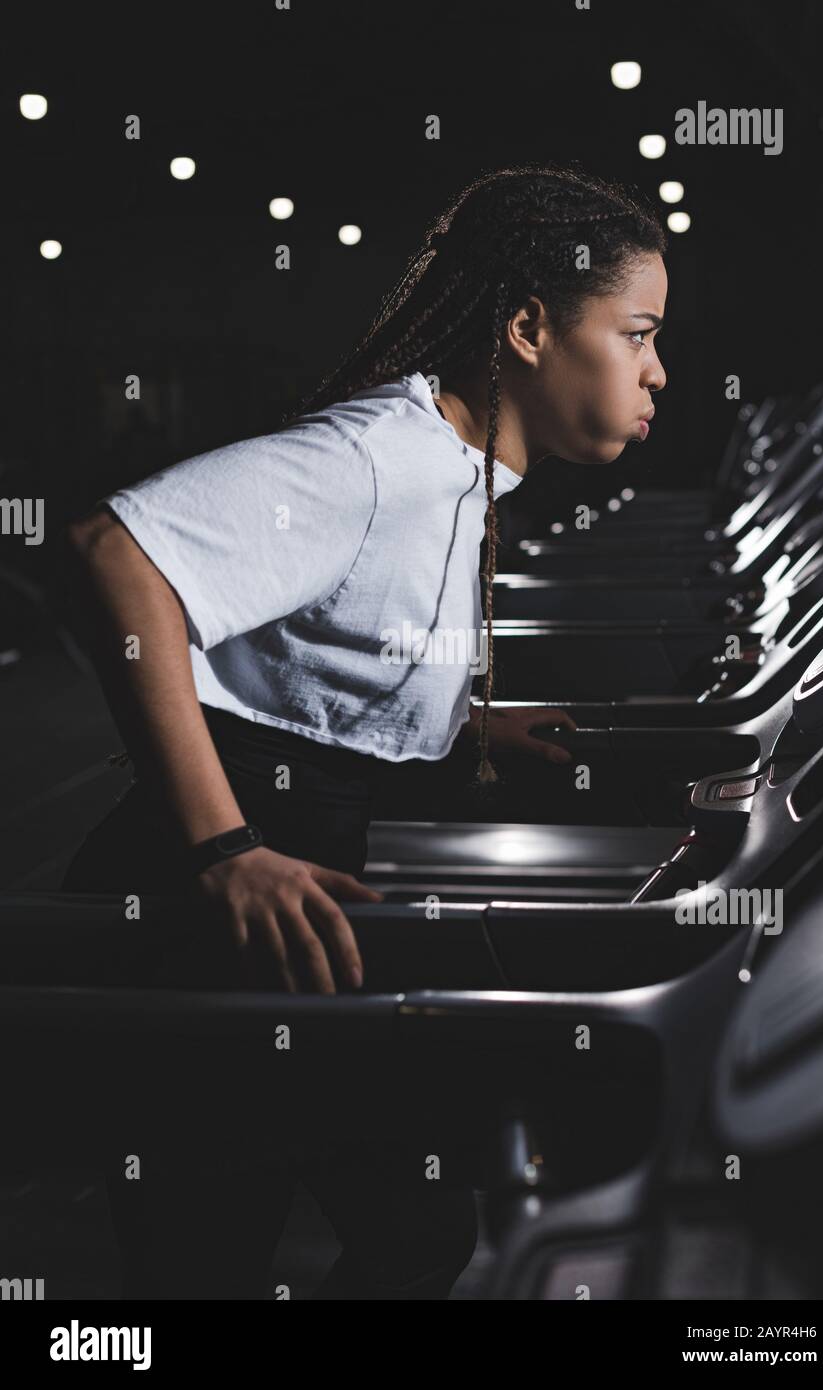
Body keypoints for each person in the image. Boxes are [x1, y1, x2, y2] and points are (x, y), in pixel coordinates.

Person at [62, 160, 668, 1299]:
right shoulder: (378, 458)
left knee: (413, 1230)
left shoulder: (460, 469)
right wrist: (222, 851)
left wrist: (468, 722)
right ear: (532, 328)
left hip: (299, 889)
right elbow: (114, 554)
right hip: (213, 894)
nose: (658, 372)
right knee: (213, 1258)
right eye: (636, 335)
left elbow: (323, 657)